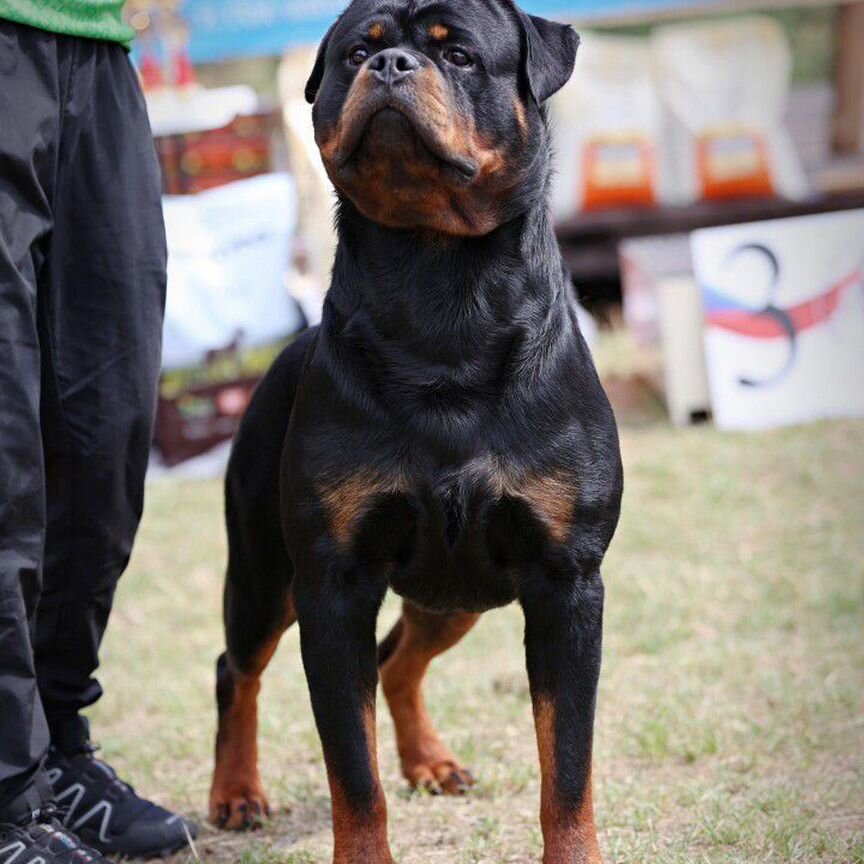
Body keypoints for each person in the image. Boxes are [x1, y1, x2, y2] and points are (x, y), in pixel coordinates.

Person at [0, 2, 196, 860]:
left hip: (100, 49)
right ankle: (8, 787)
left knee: (105, 426)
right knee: (4, 438)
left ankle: (58, 744)